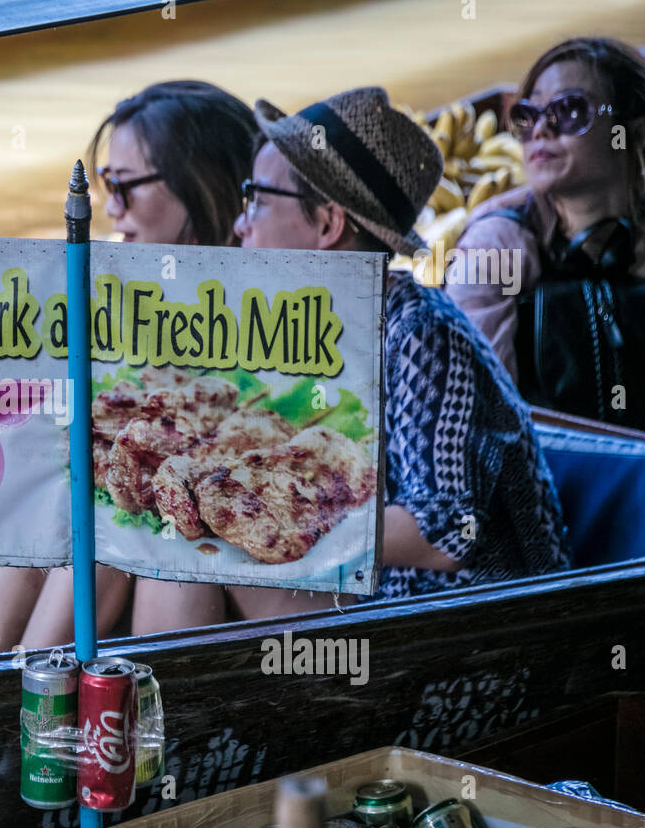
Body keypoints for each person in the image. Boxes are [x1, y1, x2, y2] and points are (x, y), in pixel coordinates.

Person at [227, 85, 571, 613]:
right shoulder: (308, 335)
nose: (239, 222)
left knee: (195, 553)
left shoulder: (420, 333)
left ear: (327, 224)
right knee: (157, 546)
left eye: (256, 197)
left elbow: (449, 532)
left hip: (473, 636)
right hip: (375, 605)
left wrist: (278, 517)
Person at [0, 80, 259, 649]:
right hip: (148, 543)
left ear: (200, 186)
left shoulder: (268, 308)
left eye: (126, 186)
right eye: (106, 185)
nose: (112, 207)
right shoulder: (132, 296)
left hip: (228, 551)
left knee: (118, 515)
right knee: (53, 500)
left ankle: (20, 685)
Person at [444, 38, 645, 432]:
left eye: (568, 110)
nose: (542, 129)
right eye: (529, 114)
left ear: (634, 131)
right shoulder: (493, 246)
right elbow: (482, 417)